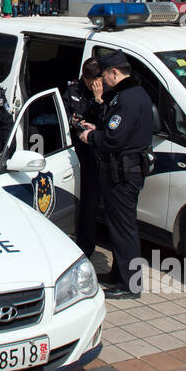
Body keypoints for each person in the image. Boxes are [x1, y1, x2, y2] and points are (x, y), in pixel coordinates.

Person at [76, 51, 154, 298]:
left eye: (105, 76)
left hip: (123, 174)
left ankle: (130, 285)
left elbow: (113, 138)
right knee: (119, 227)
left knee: (124, 230)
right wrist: (97, 126)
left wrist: (91, 136)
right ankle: (120, 274)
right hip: (122, 171)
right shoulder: (133, 94)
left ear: (114, 73)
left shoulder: (126, 99)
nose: (103, 81)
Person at [63, 58, 107, 262]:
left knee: (91, 201)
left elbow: (107, 121)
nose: (95, 85)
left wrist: (99, 100)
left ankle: (88, 243)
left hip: (97, 152)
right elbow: (68, 117)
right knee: (80, 198)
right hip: (76, 148)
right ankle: (82, 241)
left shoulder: (106, 93)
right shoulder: (73, 90)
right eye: (91, 82)